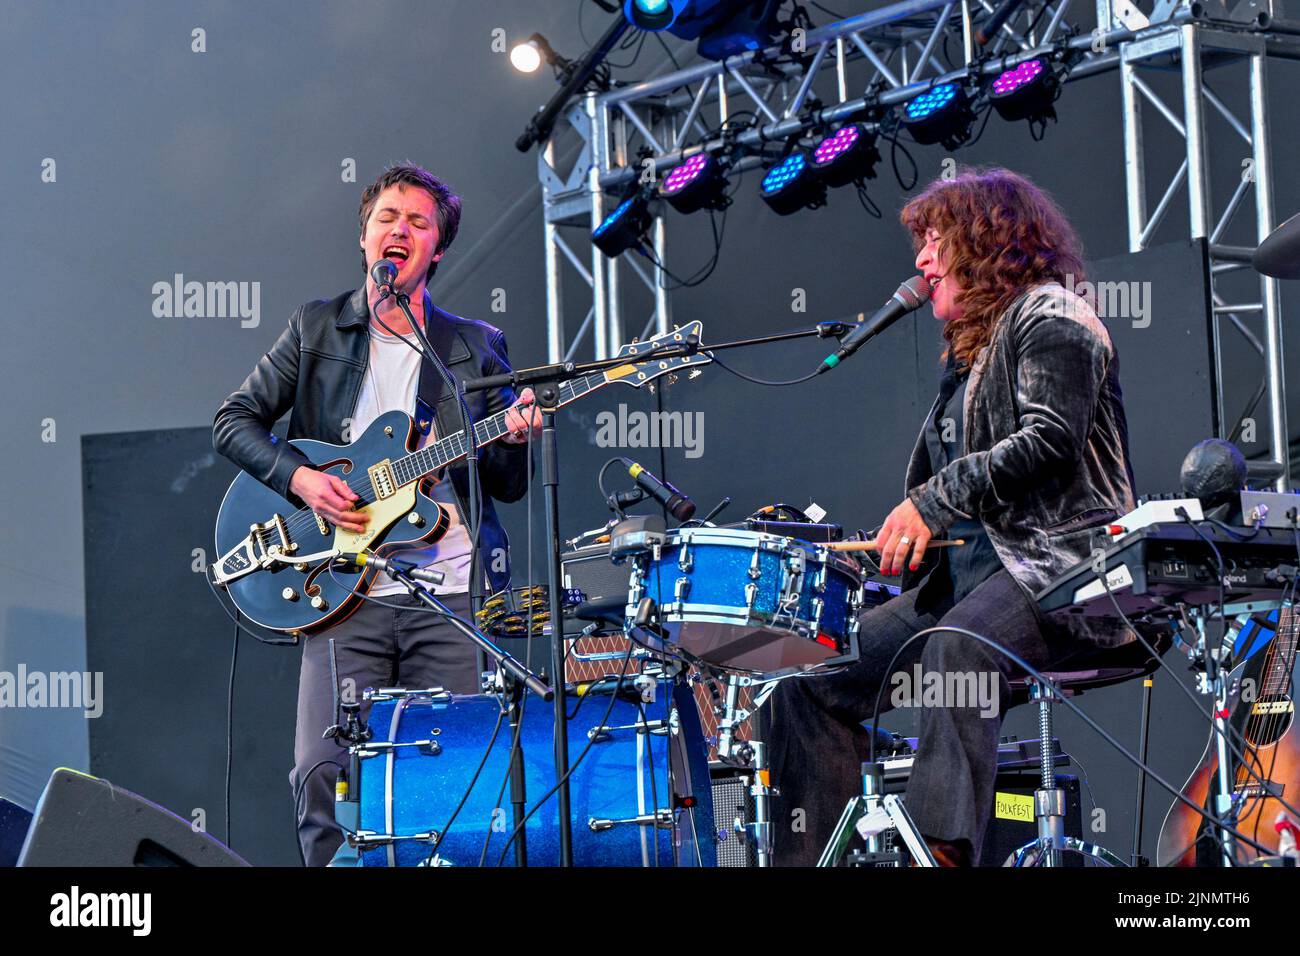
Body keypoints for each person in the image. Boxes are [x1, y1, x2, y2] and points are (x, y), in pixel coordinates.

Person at [761, 167, 1137, 866]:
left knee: (955, 649)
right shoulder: (971, 357)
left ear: (987, 241)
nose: (921, 261)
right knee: (806, 678)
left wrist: (929, 503)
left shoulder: (1054, 314)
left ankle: (939, 851)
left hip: (1063, 571)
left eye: (935, 242)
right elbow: (955, 504)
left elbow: (1050, 439)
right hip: (969, 584)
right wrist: (879, 550)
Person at [212, 163, 541, 866]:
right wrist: (300, 477)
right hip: (345, 590)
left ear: (437, 249)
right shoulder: (317, 326)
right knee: (320, 772)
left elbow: (507, 486)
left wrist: (512, 437)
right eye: (388, 217)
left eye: (419, 222)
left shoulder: (473, 345)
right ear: (364, 237)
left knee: (460, 778)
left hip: (450, 593)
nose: (401, 230)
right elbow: (233, 421)